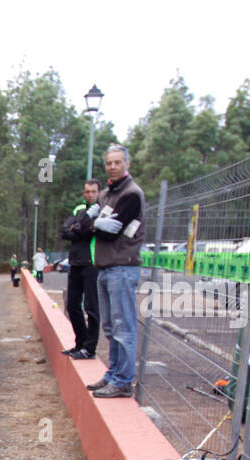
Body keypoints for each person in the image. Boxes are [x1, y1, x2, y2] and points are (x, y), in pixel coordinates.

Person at [86, 145, 145, 399]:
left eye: (117, 162)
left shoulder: (131, 194)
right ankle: (114, 373)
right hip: (106, 268)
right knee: (110, 326)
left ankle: (123, 380)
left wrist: (94, 224)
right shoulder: (108, 194)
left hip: (122, 267)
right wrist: (93, 223)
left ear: (127, 164)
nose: (113, 166)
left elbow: (113, 230)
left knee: (123, 327)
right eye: (109, 163)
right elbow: (83, 226)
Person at [59, 178, 102, 359]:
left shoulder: (102, 210)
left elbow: (91, 230)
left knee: (91, 307)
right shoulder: (79, 209)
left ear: (98, 192)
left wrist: (77, 228)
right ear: (83, 193)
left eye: (93, 191)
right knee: (72, 305)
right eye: (87, 192)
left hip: (92, 264)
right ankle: (80, 343)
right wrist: (80, 228)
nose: (90, 195)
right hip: (75, 263)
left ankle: (89, 348)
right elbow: (64, 231)